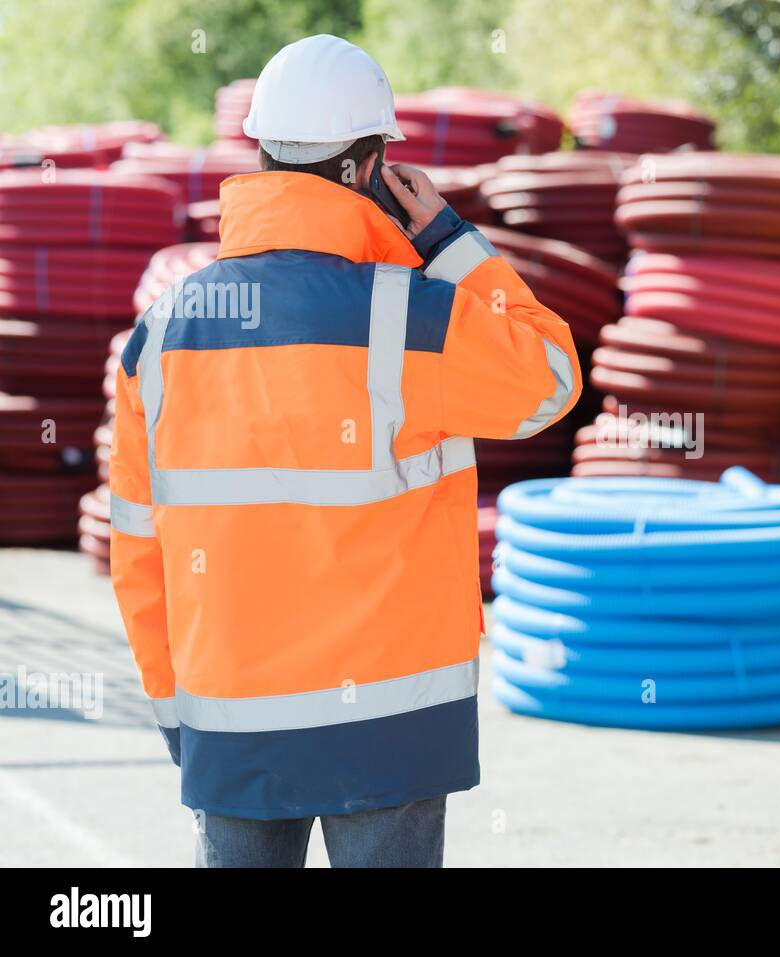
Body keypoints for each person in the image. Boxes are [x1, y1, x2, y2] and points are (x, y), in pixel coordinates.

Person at [107, 34, 581, 868]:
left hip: (232, 726)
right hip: (388, 733)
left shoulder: (160, 336)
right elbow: (549, 374)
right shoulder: (414, 318)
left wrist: (179, 716)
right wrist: (447, 236)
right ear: (366, 168)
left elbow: (138, 548)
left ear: (261, 156)